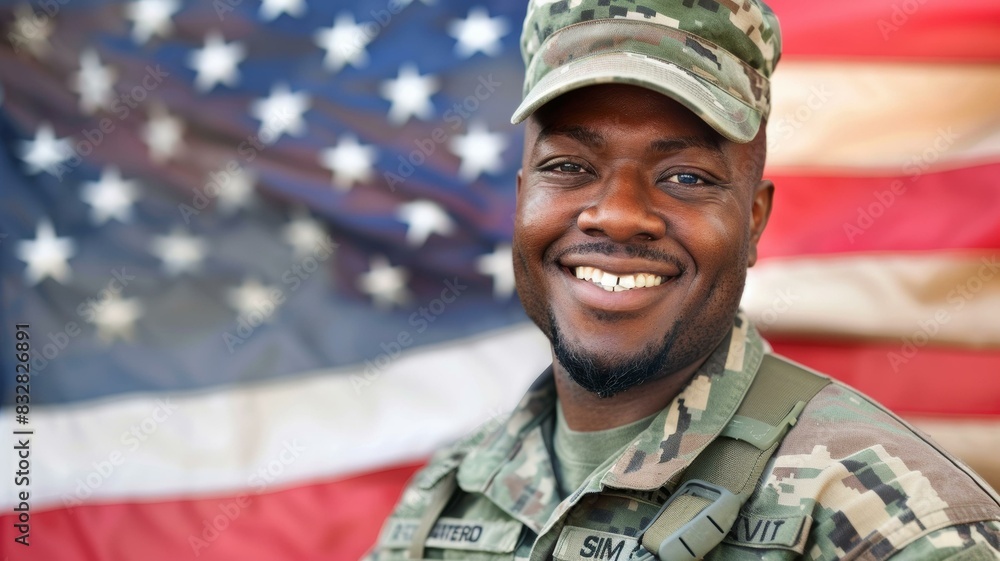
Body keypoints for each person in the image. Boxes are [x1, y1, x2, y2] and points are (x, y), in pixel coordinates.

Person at [365, 1, 1000, 559]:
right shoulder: (448, 500)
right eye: (569, 165)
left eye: (686, 177)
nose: (616, 213)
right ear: (523, 197)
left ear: (753, 221)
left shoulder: (891, 522)